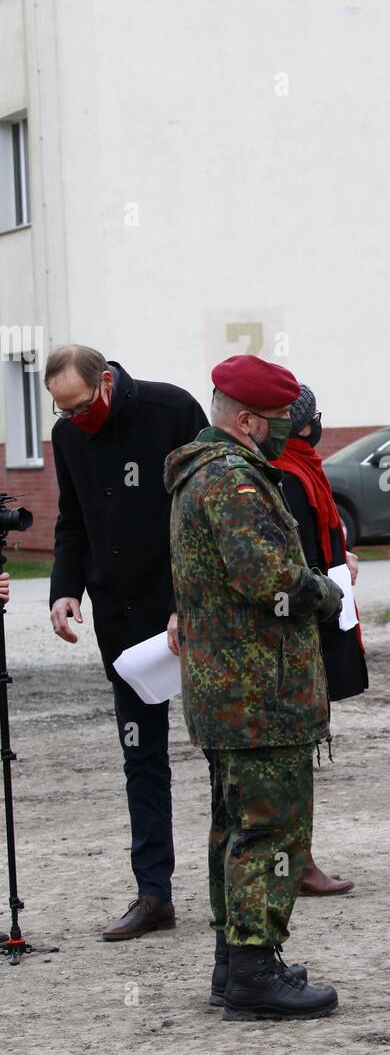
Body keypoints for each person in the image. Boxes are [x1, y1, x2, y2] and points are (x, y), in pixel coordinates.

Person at [164, 354, 345, 1022]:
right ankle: (254, 969)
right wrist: (325, 589)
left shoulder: (202, 475)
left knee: (236, 828)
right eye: (277, 424)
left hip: (231, 692)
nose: (286, 436)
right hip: (259, 693)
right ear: (245, 422)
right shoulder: (234, 483)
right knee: (271, 832)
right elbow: (271, 578)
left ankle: (233, 959)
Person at [45, 345, 208, 941]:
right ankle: (153, 894)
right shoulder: (68, 438)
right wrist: (66, 591)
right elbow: (73, 522)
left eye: (82, 406)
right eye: (62, 412)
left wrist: (185, 601)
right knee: (141, 758)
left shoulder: (173, 412)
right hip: (121, 626)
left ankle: (239, 881)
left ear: (106, 382)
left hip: (188, 617)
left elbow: (208, 513)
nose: (75, 419)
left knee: (224, 751)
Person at [270, 381, 367, 896]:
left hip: (318, 610)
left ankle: (296, 860)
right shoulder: (286, 475)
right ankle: (295, 863)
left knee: (297, 749)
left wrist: (339, 558)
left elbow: (318, 541)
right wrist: (331, 573)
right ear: (304, 425)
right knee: (292, 752)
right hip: (303, 626)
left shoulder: (306, 468)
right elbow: (295, 560)